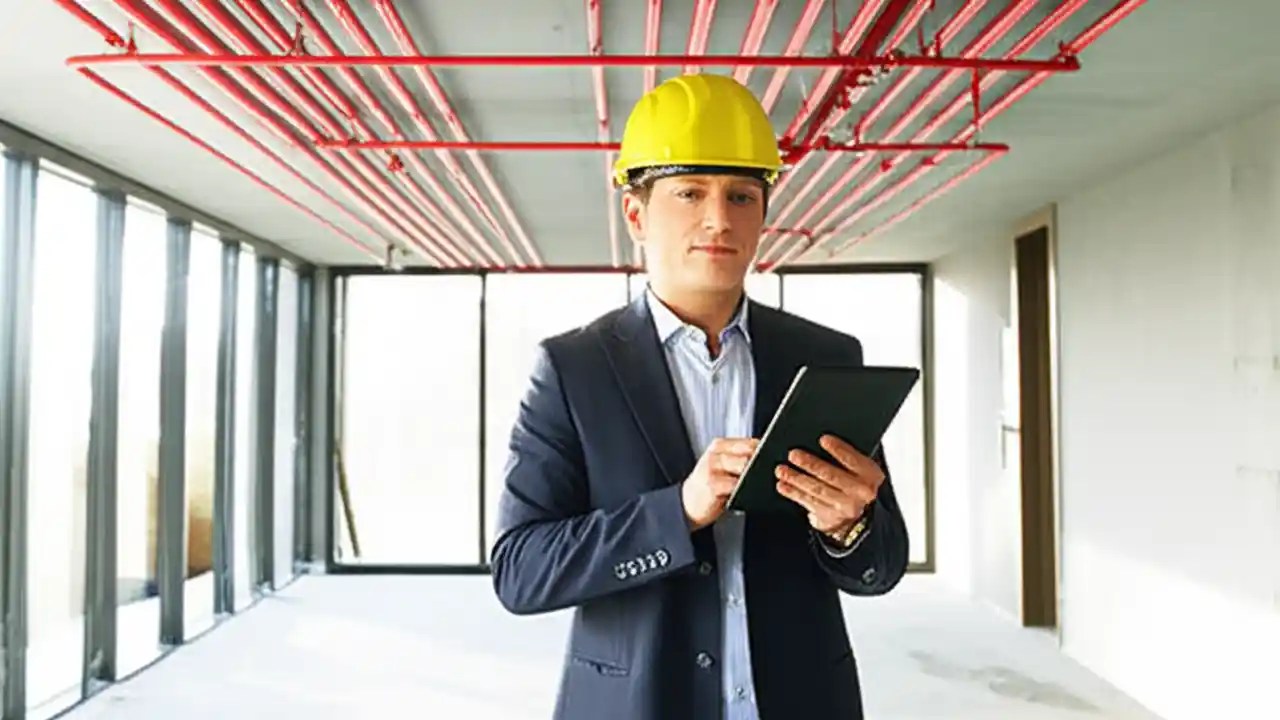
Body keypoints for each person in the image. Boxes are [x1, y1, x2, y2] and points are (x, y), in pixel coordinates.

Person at [490, 73, 909, 719]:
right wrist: (678, 512)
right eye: (690, 193)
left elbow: (879, 566)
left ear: (765, 214)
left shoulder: (826, 356)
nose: (719, 218)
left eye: (743, 195)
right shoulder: (573, 369)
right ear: (637, 213)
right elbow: (521, 572)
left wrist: (847, 524)